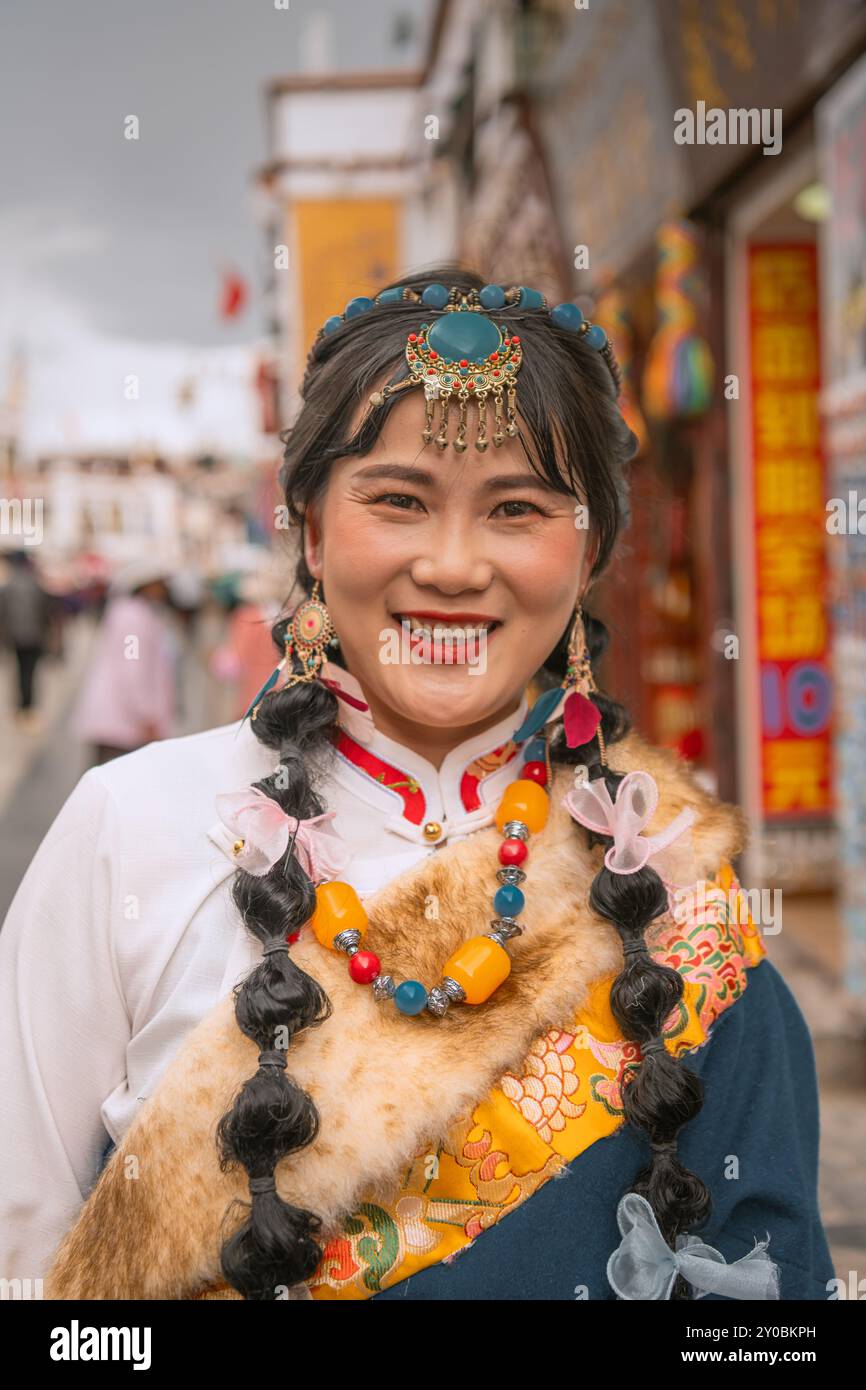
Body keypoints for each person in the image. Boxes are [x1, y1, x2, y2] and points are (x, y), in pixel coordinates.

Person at [0, 269, 834, 1302]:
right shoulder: (128, 828)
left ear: (586, 557)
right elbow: (20, 1255)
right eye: (398, 501)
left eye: (516, 508)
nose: (450, 564)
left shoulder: (669, 881)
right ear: (309, 529)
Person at [70, 556, 179, 764]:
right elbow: (132, 667)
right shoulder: (132, 619)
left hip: (123, 720)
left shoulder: (136, 614)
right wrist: (146, 713)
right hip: (121, 722)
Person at [0, 549, 54, 730]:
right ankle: (28, 708)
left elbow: (3, 614)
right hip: (34, 636)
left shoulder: (8, 586)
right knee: (30, 673)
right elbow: (46, 612)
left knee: (19, 672)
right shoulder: (36, 584)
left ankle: (21, 708)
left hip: (16, 637)